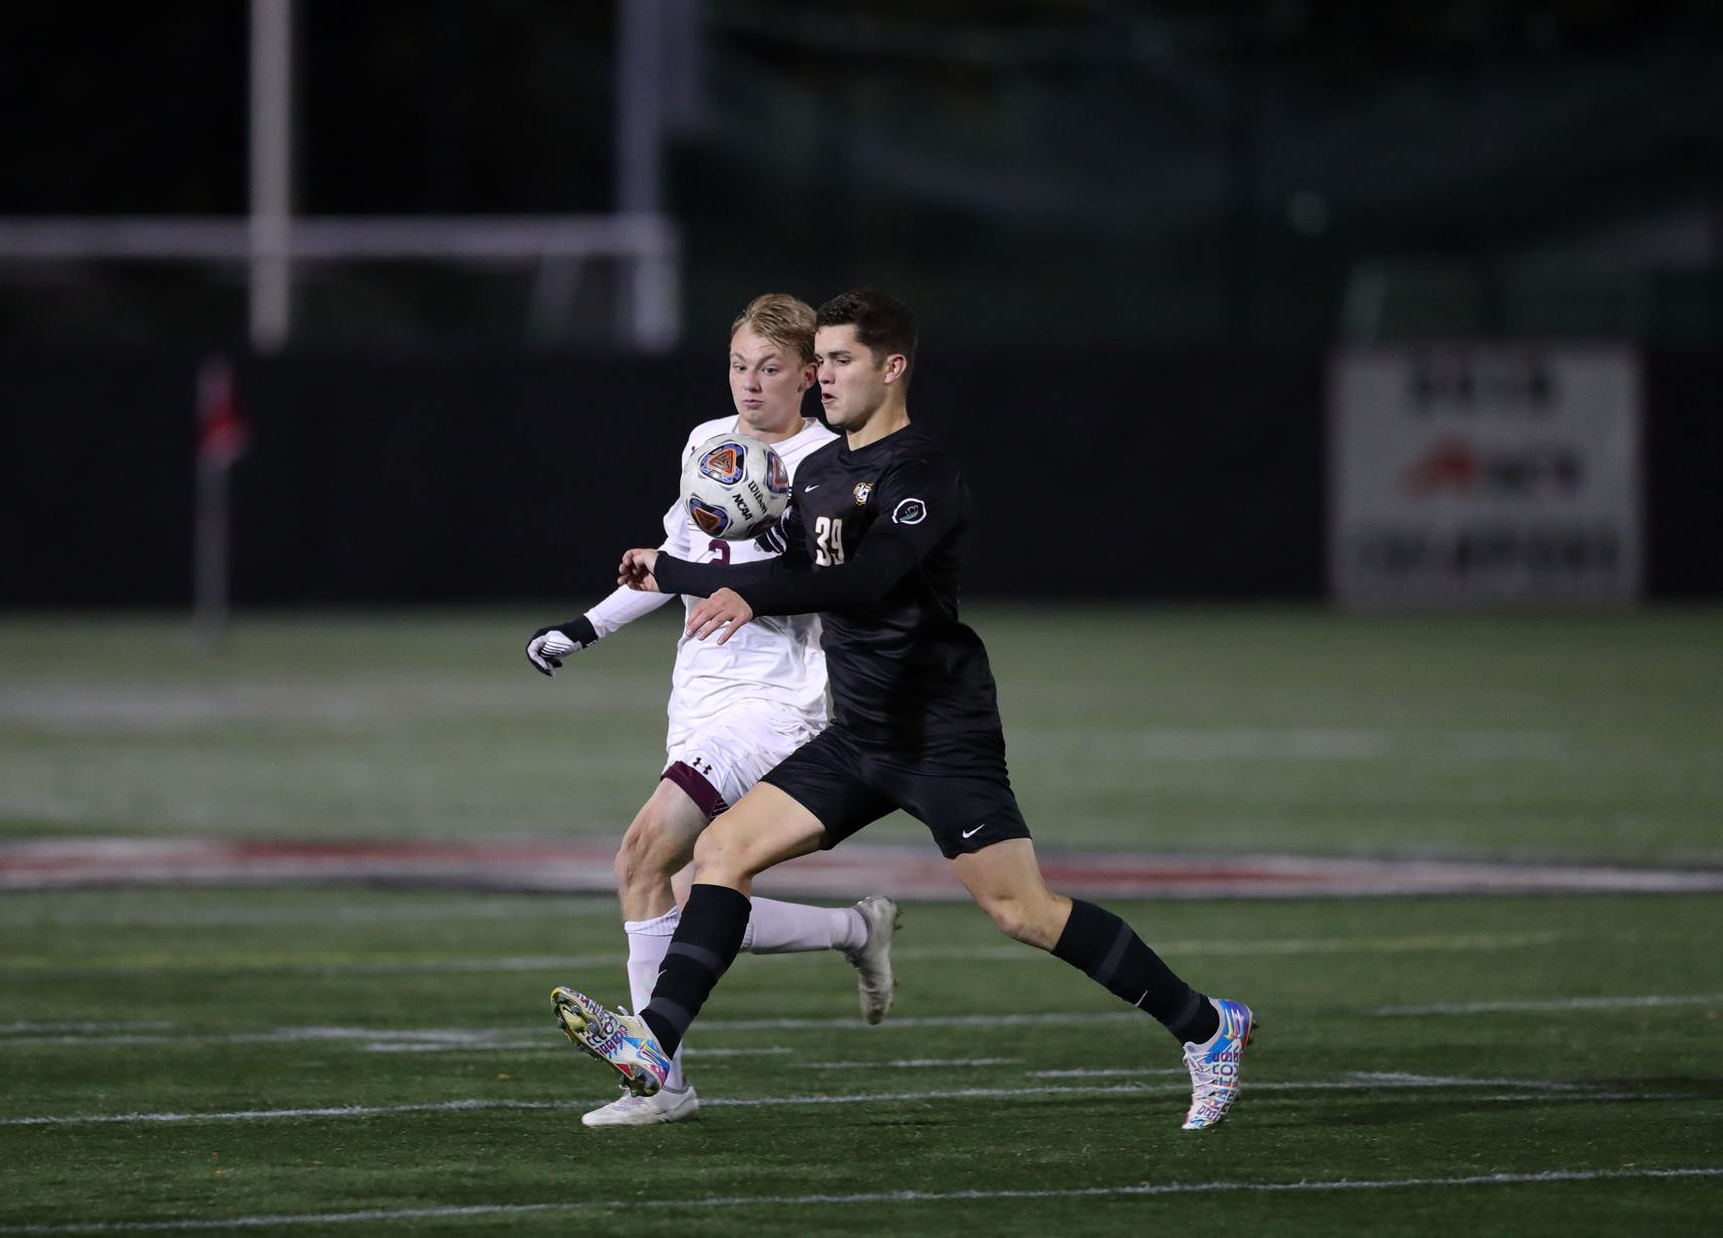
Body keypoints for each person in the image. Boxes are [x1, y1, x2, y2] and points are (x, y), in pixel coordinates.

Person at [551, 288, 1255, 1132]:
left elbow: (864, 580)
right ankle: (655, 1048)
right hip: (857, 735)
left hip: (939, 736)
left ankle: (1207, 1026)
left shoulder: (922, 472)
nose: (823, 375)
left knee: (1022, 911)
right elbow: (791, 574)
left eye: (840, 360)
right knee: (721, 850)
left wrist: (718, 584)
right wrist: (682, 569)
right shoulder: (818, 475)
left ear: (892, 368)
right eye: (820, 360)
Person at [526, 291, 902, 1129]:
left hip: (774, 702)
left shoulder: (828, 462)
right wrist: (583, 627)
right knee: (688, 889)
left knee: (638, 855)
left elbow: (827, 586)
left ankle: (658, 1081)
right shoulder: (707, 442)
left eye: (770, 368)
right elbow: (672, 561)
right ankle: (855, 930)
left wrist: (772, 548)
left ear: (807, 376)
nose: (750, 383)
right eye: (738, 365)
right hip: (697, 694)